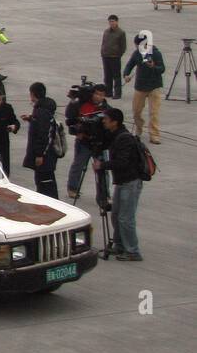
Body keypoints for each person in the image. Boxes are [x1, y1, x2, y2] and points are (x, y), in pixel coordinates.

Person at [94, 108, 144, 260]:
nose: (103, 121)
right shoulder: (114, 134)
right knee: (116, 215)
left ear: (115, 122)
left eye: (106, 119)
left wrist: (102, 166)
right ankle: (120, 245)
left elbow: (122, 161)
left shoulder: (124, 138)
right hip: (122, 182)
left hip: (130, 182)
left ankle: (133, 251)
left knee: (125, 218)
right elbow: (102, 144)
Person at [65, 83, 108, 204]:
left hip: (99, 143)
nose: (98, 97)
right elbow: (71, 120)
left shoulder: (106, 109)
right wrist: (77, 131)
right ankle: (72, 188)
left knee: (102, 169)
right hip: (83, 141)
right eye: (96, 94)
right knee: (78, 165)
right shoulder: (82, 104)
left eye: (101, 95)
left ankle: (104, 195)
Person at [123, 35, 165, 145]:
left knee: (153, 112)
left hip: (154, 86)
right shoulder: (137, 53)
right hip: (140, 87)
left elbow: (162, 68)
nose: (137, 47)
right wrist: (126, 74)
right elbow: (129, 65)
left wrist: (153, 67)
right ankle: (139, 127)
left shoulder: (156, 53)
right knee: (136, 111)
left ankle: (154, 135)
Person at [21, 82, 60, 199]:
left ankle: (50, 203)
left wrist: (39, 154)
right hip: (47, 156)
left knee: (45, 183)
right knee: (44, 181)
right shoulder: (43, 110)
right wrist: (32, 119)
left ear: (33, 94)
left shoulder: (41, 112)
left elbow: (44, 134)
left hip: (45, 157)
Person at [101, 15, 127, 99]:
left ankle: (117, 93)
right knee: (107, 76)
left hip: (115, 57)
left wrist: (118, 54)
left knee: (116, 76)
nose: (111, 23)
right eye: (110, 21)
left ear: (117, 22)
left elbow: (123, 46)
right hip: (105, 56)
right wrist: (102, 52)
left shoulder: (121, 33)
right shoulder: (106, 31)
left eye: (113, 21)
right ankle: (108, 92)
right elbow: (104, 43)